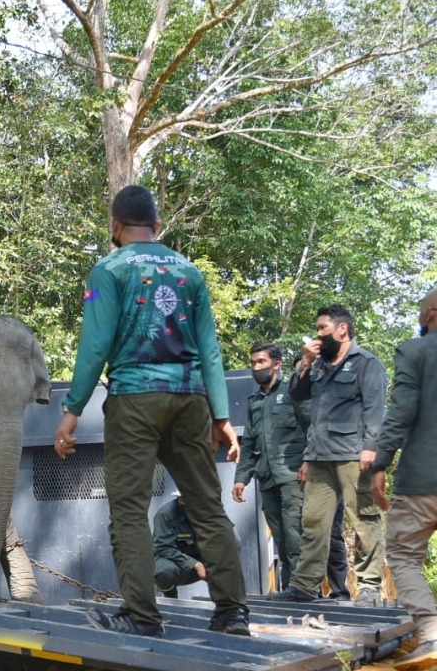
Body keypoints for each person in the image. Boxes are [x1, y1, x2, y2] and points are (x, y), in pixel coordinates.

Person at [53, 184, 249, 638]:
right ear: (157, 226)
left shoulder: (108, 270)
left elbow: (96, 344)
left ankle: (142, 616)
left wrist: (71, 410)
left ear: (115, 227)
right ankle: (232, 613)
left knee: (128, 509)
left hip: (135, 400)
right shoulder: (190, 273)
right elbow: (210, 350)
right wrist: (222, 416)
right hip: (191, 399)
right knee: (207, 507)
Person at [270, 304, 387, 607]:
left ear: (342, 329)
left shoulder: (366, 363)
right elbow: (297, 394)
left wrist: (372, 449)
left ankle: (370, 588)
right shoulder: (318, 365)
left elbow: (375, 410)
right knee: (313, 522)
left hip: (353, 454)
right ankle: (304, 586)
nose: (317, 334)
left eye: (322, 328)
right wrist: (305, 362)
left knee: (363, 519)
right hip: (320, 456)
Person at [371, 288, 437, 671]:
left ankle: (430, 634)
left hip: (422, 480)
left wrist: (380, 463)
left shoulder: (415, 351)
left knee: (404, 554)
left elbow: (401, 411)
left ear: (429, 313)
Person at [232, 342, 307, 591]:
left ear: (276, 364)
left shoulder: (293, 391)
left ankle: (303, 589)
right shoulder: (254, 401)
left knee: (296, 535)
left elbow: (312, 427)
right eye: (253, 363)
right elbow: (250, 441)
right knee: (280, 538)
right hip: (266, 477)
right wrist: (241, 478)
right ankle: (290, 590)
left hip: (292, 474)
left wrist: (308, 462)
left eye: (261, 362)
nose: (256, 367)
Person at [153, 494, 206, 598]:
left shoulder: (210, 508)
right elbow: (163, 548)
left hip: (206, 559)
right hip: (179, 563)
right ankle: (171, 599)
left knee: (231, 546)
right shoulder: (165, 514)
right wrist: (195, 564)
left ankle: (228, 603)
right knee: (162, 571)